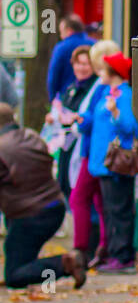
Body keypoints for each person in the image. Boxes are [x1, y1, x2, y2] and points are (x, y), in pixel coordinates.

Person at [0, 103, 86, 289]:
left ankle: (66, 263)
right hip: (54, 207)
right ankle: (30, 270)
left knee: (14, 276)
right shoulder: (31, 136)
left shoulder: (2, 148)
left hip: (30, 215)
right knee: (19, 257)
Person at [77, 51, 138, 272]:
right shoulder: (105, 92)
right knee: (110, 211)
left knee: (120, 210)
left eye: (103, 69)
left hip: (116, 165)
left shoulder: (125, 95)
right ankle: (113, 253)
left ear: (113, 73)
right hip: (103, 164)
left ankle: (123, 257)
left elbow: (129, 127)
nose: (99, 72)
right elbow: (93, 121)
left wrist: (115, 113)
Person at [68, 39, 121, 266]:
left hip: (96, 153)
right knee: (101, 202)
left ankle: (82, 248)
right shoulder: (103, 85)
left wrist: (81, 121)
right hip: (98, 152)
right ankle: (103, 246)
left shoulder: (103, 86)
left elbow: (95, 119)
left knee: (79, 197)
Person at [48, 46, 97, 198]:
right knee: (64, 184)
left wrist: (76, 117)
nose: (81, 68)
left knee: (78, 195)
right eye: (78, 63)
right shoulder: (71, 87)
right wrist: (54, 116)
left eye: (86, 64)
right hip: (66, 145)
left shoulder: (94, 89)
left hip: (81, 146)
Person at [47, 15, 96, 102]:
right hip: (91, 95)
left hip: (67, 98)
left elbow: (53, 76)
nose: (61, 36)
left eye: (61, 32)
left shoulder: (61, 48)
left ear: (69, 30)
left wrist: (53, 99)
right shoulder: (94, 44)